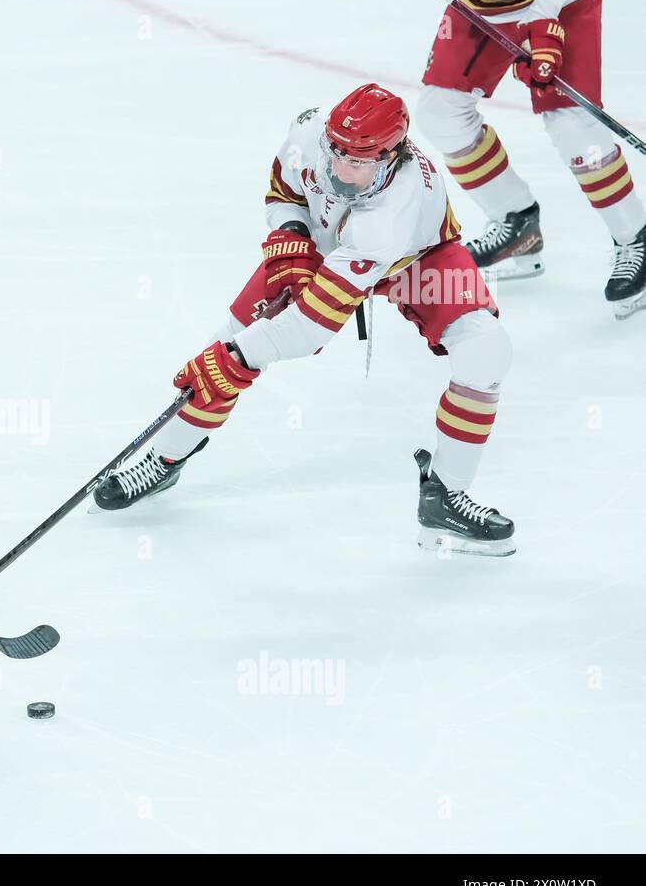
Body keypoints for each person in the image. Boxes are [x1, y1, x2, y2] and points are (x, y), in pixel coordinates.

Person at [94, 84, 516, 557]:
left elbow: (311, 326)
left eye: (359, 162)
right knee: (225, 340)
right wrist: (292, 232)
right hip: (323, 245)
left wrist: (240, 358)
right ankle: (165, 457)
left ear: (392, 153)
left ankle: (446, 497)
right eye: (336, 153)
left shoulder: (392, 213)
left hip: (416, 260)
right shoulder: (308, 132)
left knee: (486, 351)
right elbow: (284, 191)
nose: (341, 169)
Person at [417, 0, 646, 318]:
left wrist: (541, 19)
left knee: (572, 126)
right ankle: (516, 223)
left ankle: (634, 235)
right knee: (441, 112)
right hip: (481, 2)